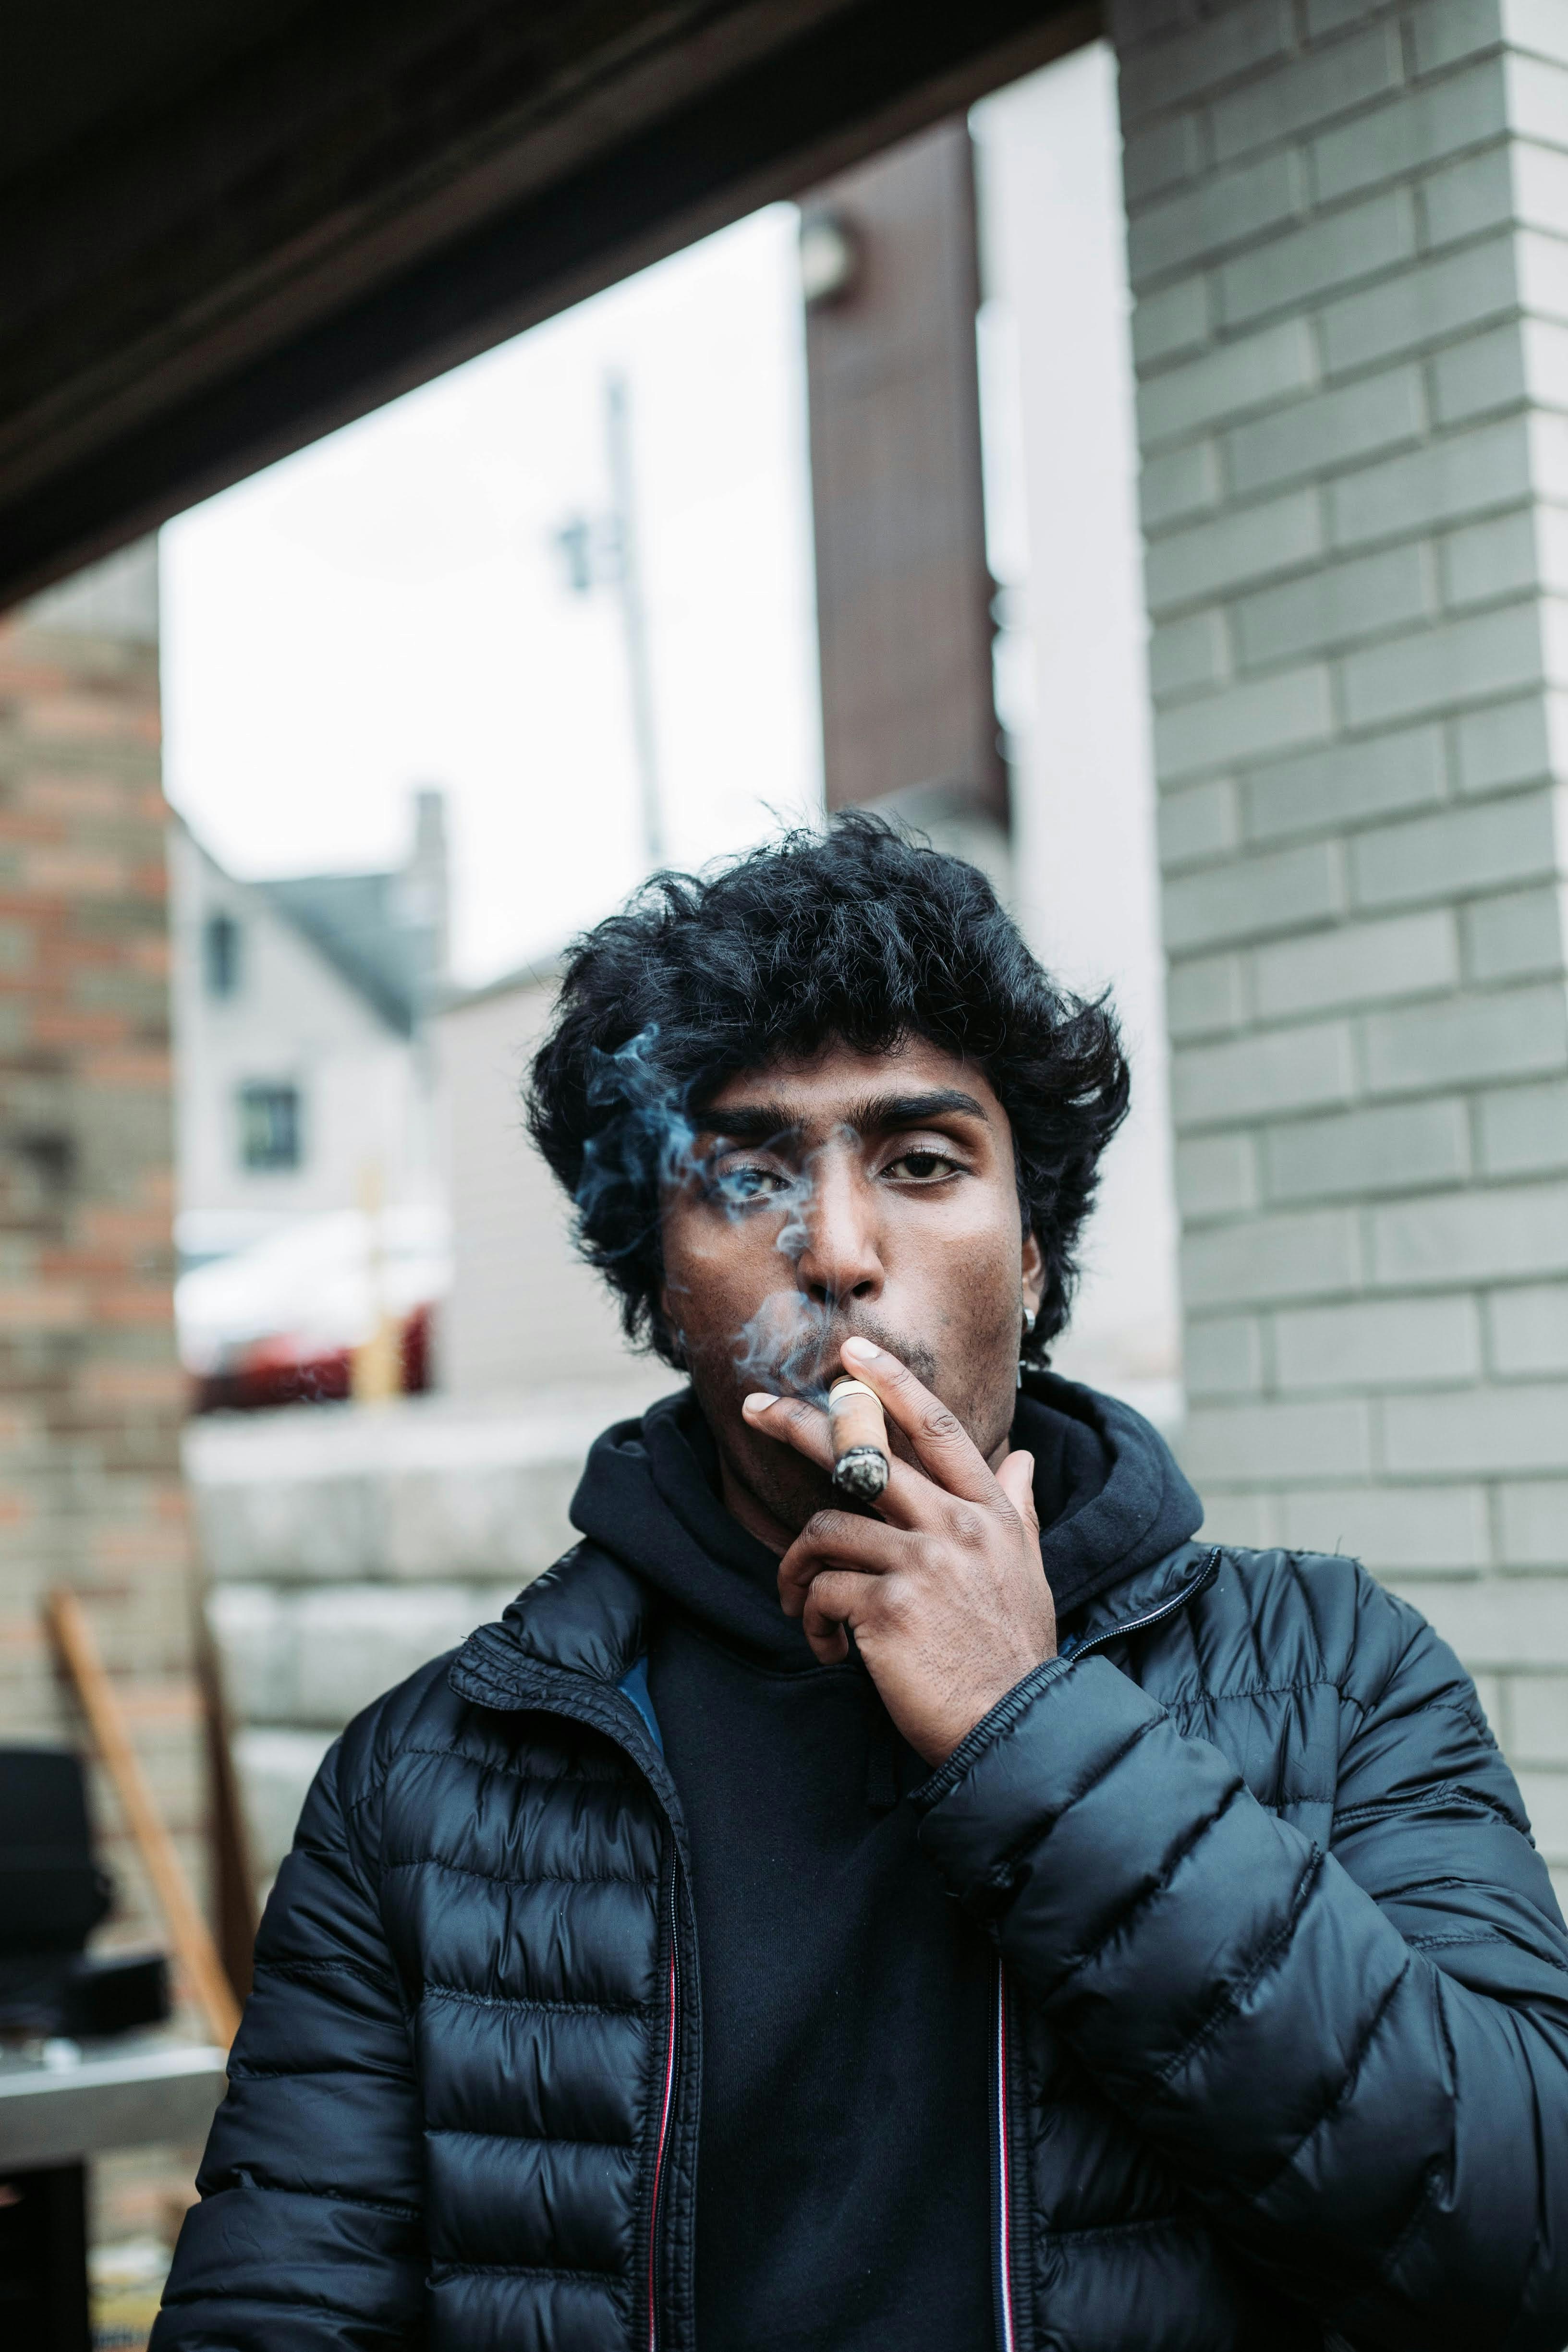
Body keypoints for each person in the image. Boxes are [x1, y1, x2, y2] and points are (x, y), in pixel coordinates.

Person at [154, 817, 1568, 2352]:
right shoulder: (422, 1790)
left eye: (920, 1160)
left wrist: (1029, 1730)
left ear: (1030, 1252)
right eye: (747, 1172)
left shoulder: (1337, 1672)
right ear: (657, 1280)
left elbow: (1520, 2240)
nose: (833, 1246)